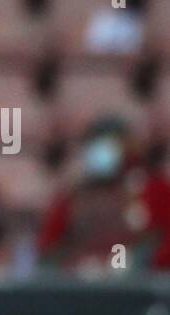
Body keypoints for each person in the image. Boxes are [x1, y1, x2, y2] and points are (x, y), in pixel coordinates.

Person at [37, 116, 170, 274]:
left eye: (109, 143)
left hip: (140, 283)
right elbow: (48, 250)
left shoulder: (154, 189)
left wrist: (142, 263)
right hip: (83, 284)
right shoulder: (73, 196)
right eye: (93, 144)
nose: (99, 151)